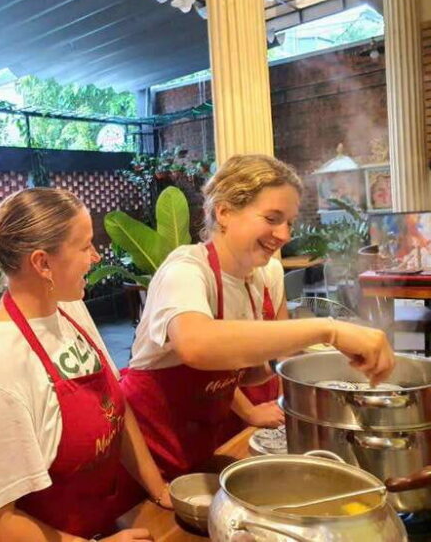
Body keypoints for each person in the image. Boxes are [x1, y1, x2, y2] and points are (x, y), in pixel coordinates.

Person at [121, 154, 395, 481]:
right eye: (272, 218)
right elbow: (196, 346)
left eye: (289, 222)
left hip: (205, 439)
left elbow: (249, 371)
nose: (284, 234)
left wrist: (336, 361)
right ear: (223, 212)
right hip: (154, 452)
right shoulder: (186, 270)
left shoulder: (262, 275)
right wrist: (329, 330)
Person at [0, 188, 169, 542]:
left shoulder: (69, 308)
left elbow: (117, 411)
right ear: (42, 263)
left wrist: (161, 492)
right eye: (85, 246)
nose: (96, 256)